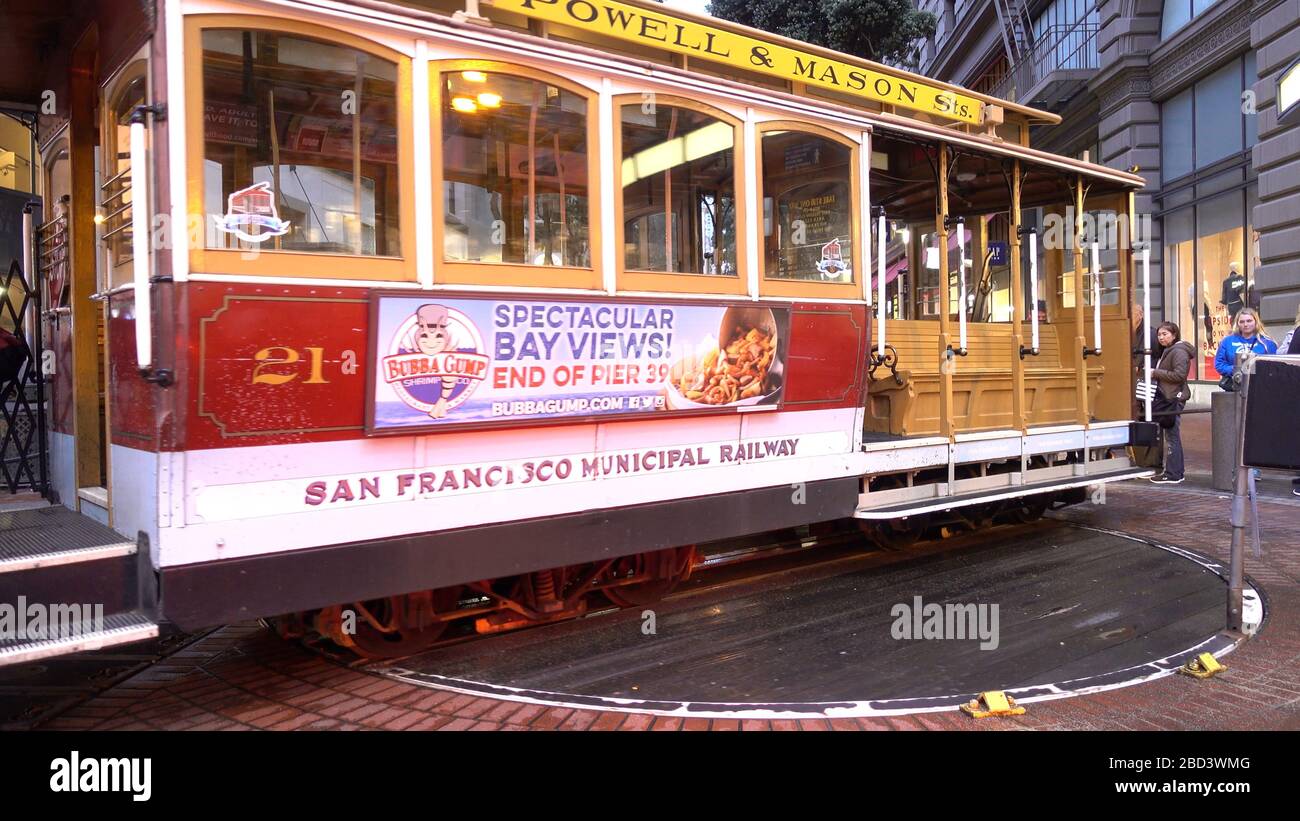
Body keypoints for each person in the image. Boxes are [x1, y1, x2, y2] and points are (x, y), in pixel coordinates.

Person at [1148, 322, 1194, 484]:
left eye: (1165, 334)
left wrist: (1156, 373)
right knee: (1171, 435)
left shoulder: (1179, 352)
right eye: (1159, 334)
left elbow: (1179, 375)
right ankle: (1174, 472)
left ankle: (1174, 473)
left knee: (1172, 436)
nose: (1161, 337)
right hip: (1168, 397)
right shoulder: (1169, 351)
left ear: (1174, 335)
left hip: (1173, 398)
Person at [1214, 307, 1277, 387]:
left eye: (1249, 321)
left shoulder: (1268, 343)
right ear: (1237, 324)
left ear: (1256, 322)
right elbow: (1219, 364)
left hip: (1260, 386)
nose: (1246, 324)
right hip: (1235, 386)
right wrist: (1236, 369)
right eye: (1242, 322)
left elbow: (1273, 367)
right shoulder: (1227, 341)